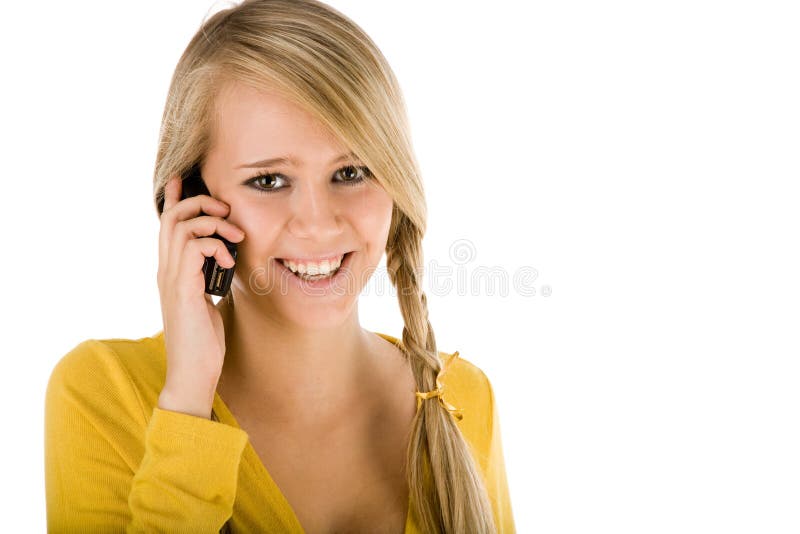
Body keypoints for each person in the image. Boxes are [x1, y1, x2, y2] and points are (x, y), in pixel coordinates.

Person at [44, 0, 515, 532]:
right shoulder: (102, 393)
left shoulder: (463, 398)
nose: (317, 225)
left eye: (352, 171)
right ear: (191, 201)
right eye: (268, 180)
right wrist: (187, 403)